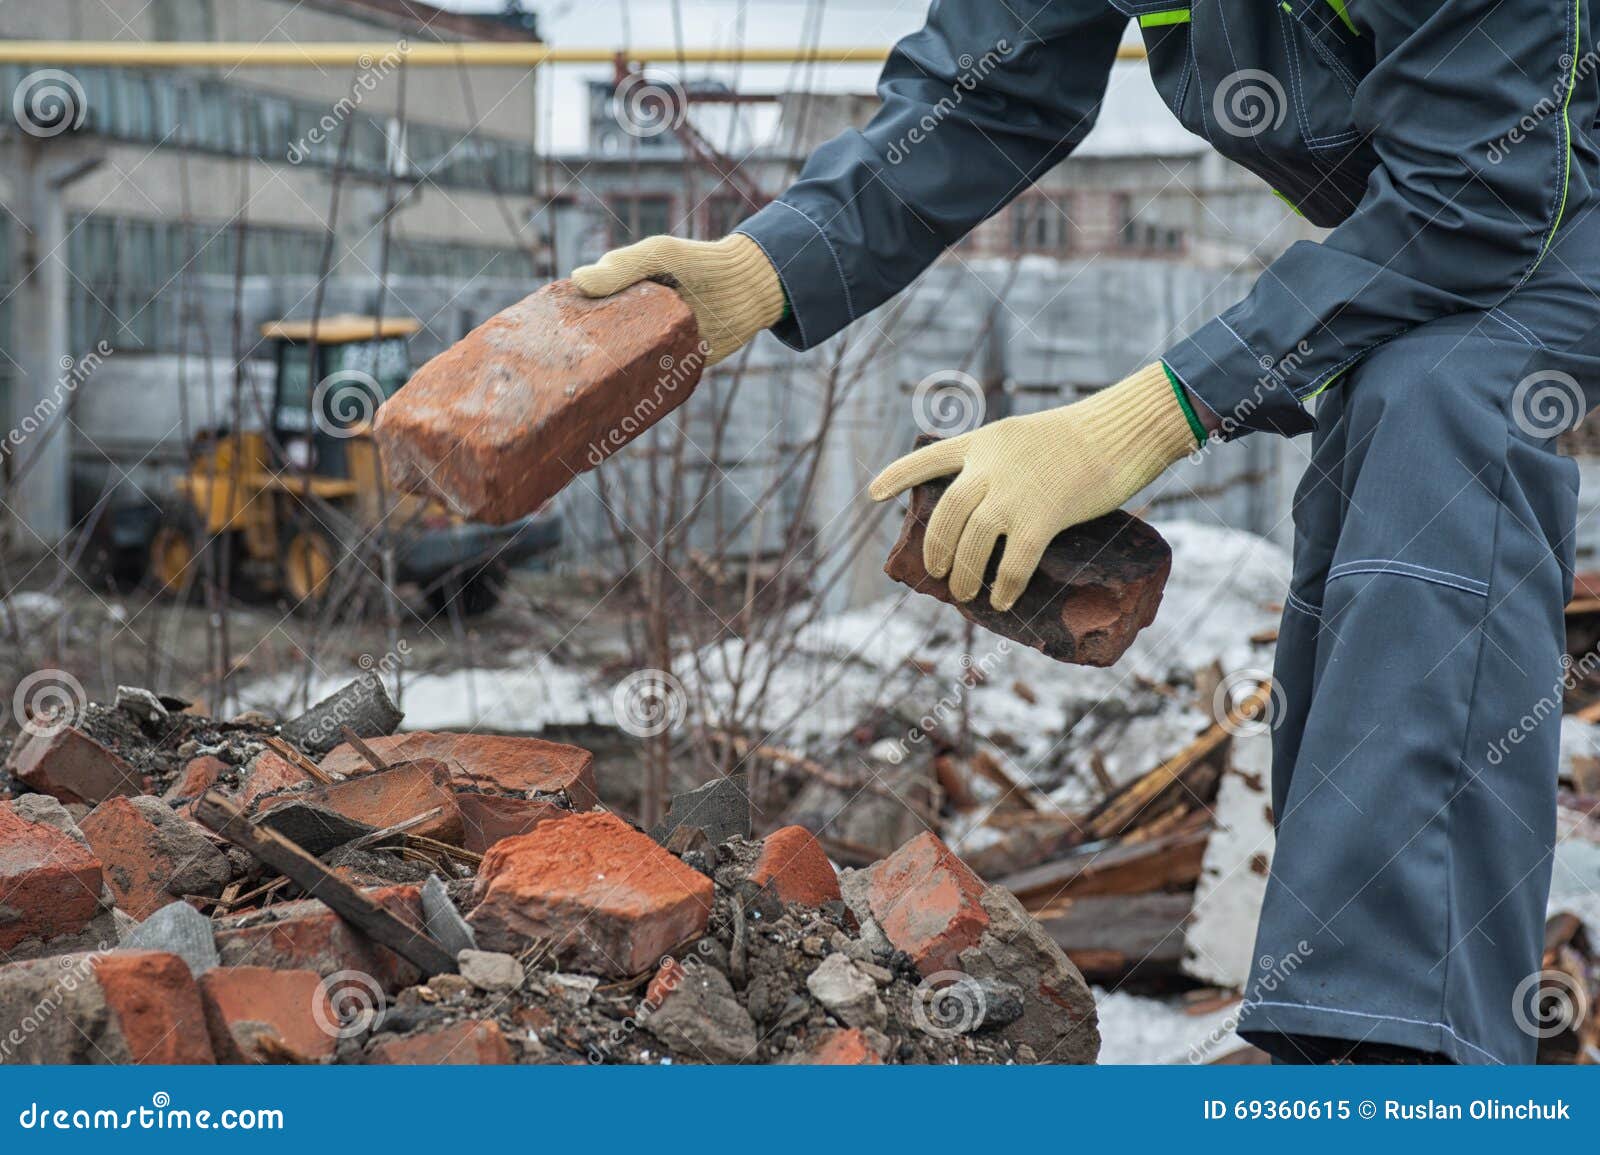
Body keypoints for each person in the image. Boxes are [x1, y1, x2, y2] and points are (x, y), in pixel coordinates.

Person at [573, 1, 1600, 1065]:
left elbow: (1479, 194)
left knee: (1441, 398)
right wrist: (766, 266)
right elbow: (988, 85)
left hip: (1521, 190)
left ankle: (1416, 1063)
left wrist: (1148, 416)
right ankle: (1351, 1028)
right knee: (1382, 411)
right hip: (1495, 195)